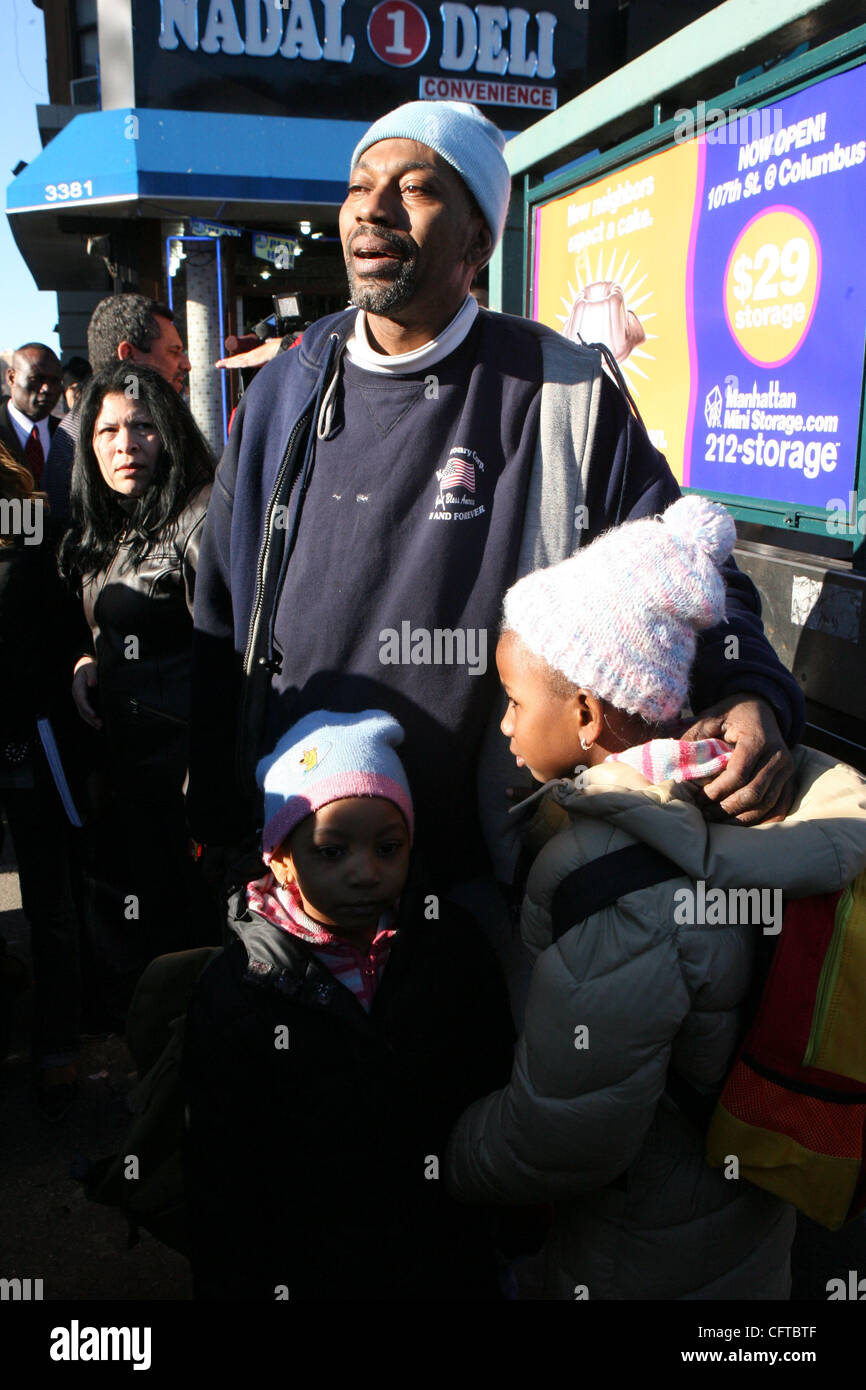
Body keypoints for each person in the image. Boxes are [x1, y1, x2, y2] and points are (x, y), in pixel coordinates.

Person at [190, 99, 804, 902]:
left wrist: (752, 691)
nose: (372, 209)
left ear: (478, 240)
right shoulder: (287, 389)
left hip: (479, 886)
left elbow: (688, 565)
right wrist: (216, 814)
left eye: (414, 189)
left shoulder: (564, 392)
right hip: (294, 870)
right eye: (358, 187)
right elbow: (218, 615)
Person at [445, 495, 866, 1299]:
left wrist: (452, 1152)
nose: (502, 725)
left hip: (636, 1256)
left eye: (513, 701)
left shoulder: (620, 893)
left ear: (585, 712)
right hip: (736, 1229)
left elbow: (569, 1135)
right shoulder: (711, 808)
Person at [182, 709, 516, 1300]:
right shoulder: (239, 990)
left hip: (442, 1254)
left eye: (388, 847)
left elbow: (492, 1076)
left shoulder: (449, 947)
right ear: (281, 859)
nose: (366, 873)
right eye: (332, 852)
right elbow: (221, 1170)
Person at [58, 363, 216, 991]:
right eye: (108, 431)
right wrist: (86, 660)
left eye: (144, 426)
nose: (125, 445)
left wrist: (205, 780)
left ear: (170, 432)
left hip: (188, 785)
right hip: (132, 779)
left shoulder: (197, 516)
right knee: (154, 944)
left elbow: (228, 657)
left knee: (198, 946)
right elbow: (105, 617)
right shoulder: (107, 523)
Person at [0, 444, 83, 1118]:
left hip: (27, 742)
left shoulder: (31, 524)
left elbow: (66, 631)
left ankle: (57, 1045)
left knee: (48, 902)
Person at [44, 297, 191, 518]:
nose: (185, 364)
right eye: (173, 351)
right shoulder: (74, 440)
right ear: (129, 355)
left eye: (143, 427)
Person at [0, 344, 62, 487]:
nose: (47, 389)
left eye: (55, 381)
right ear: (11, 377)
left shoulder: (70, 436)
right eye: (36, 379)